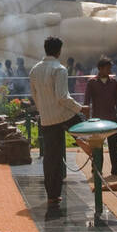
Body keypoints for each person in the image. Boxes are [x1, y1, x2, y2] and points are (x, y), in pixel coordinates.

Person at [29, 36, 83, 208]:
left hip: (46, 118)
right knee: (87, 130)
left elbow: (35, 96)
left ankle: (53, 195)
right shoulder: (59, 69)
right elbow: (62, 97)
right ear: (59, 51)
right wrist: (80, 108)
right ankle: (90, 150)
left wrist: (43, 112)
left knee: (51, 158)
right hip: (63, 115)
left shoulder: (34, 70)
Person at [83, 56, 117, 177]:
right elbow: (87, 101)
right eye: (107, 68)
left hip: (111, 118)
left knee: (113, 145)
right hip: (97, 119)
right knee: (97, 146)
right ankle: (96, 168)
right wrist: (87, 117)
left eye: (109, 68)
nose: (109, 71)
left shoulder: (113, 83)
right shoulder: (92, 83)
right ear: (100, 69)